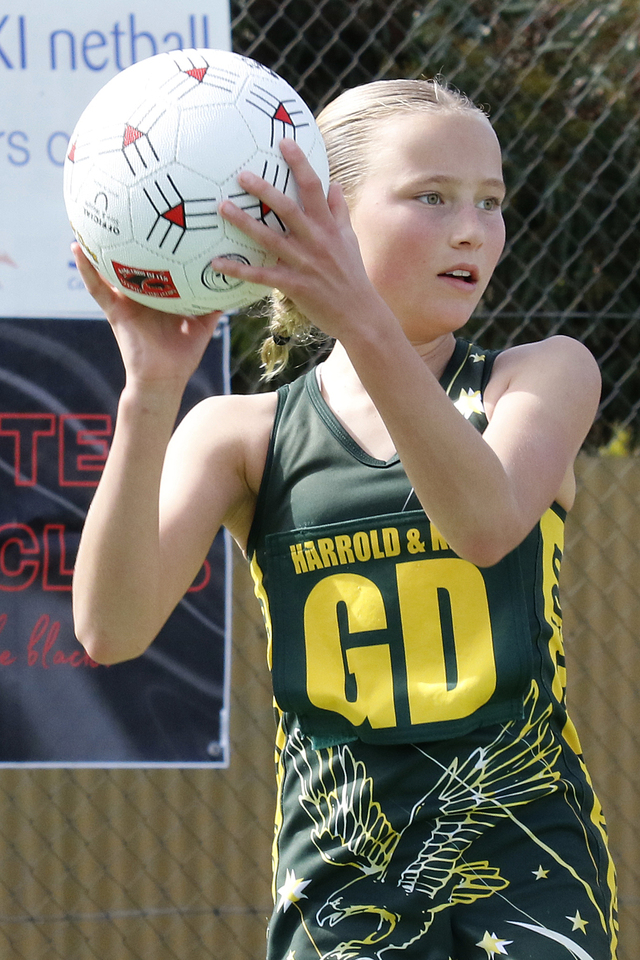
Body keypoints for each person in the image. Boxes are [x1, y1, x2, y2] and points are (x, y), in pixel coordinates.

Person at [71, 78, 618, 959]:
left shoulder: (540, 376)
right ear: (324, 213)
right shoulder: (244, 432)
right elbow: (109, 627)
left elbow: (483, 527)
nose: (474, 228)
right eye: (431, 197)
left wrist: (359, 316)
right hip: (337, 887)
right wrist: (152, 390)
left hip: (527, 868)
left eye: (491, 202)